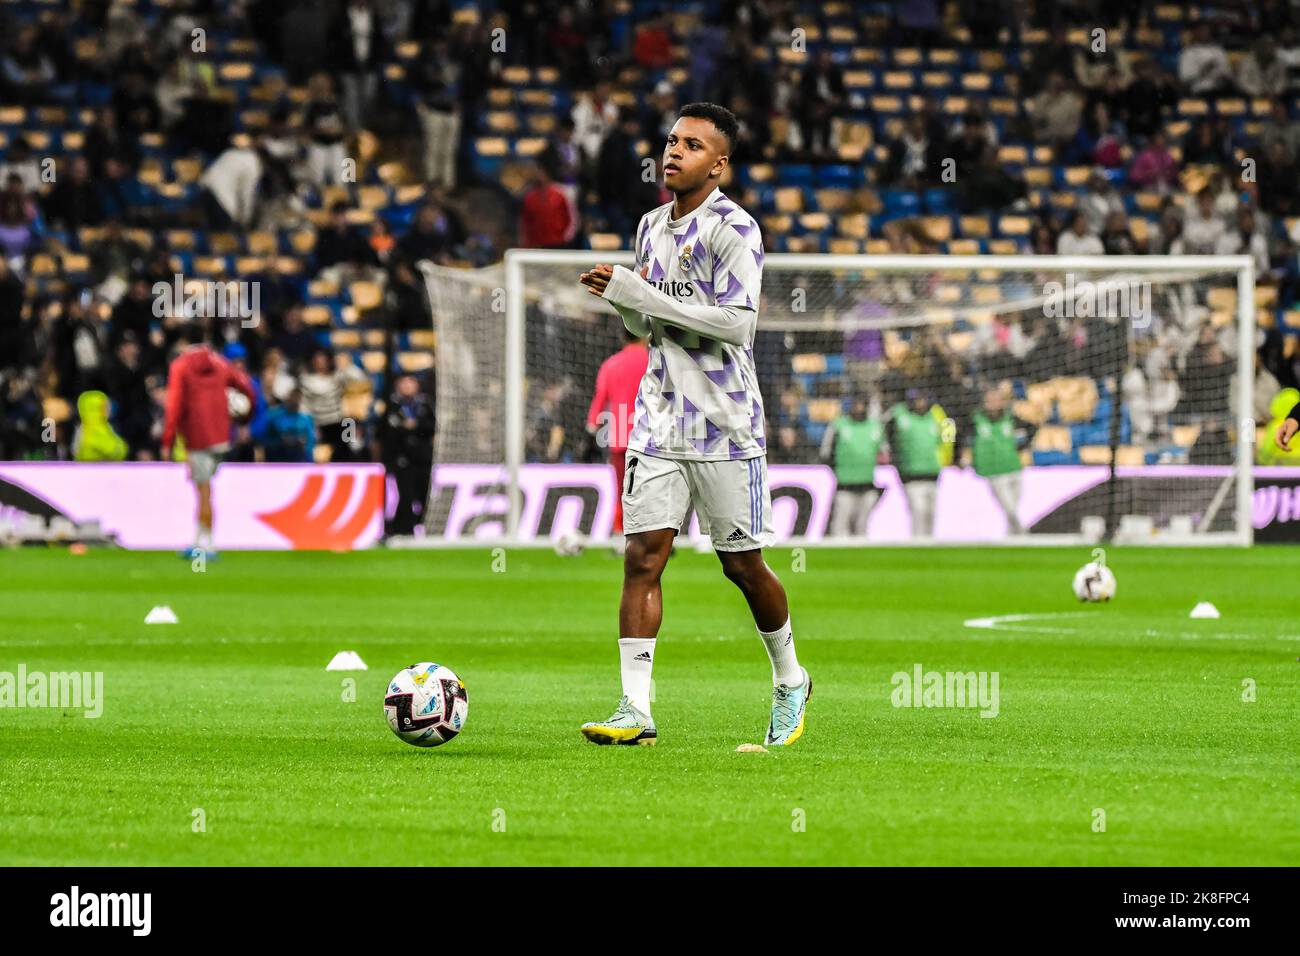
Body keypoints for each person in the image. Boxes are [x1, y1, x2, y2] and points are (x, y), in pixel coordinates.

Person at [576, 103, 811, 748]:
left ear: (720, 165)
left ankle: (791, 678)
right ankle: (635, 708)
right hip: (658, 419)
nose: (675, 151)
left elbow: (739, 323)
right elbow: (644, 329)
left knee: (742, 566)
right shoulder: (651, 227)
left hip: (724, 423)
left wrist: (644, 296)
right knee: (642, 559)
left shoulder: (736, 228)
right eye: (672, 141)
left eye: (693, 145)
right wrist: (623, 299)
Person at [162, 323, 256, 557]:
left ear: (184, 342)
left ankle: (207, 543)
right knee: (203, 487)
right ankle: (198, 538)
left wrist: (168, 439)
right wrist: (245, 418)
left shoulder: (180, 366)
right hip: (221, 435)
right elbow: (246, 387)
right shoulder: (220, 362)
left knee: (203, 490)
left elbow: (174, 405)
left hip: (196, 435)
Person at [584, 328, 649, 543]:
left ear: (622, 337)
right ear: (644, 335)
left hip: (621, 436)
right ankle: (655, 535)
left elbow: (600, 400)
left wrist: (590, 432)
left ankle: (622, 535)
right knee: (653, 489)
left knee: (623, 489)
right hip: (651, 438)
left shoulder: (611, 364)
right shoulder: (654, 361)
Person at [970, 386, 1034, 535]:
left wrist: (1023, 445)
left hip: (1014, 468)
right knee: (1009, 508)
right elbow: (959, 436)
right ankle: (1023, 533)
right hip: (994, 472)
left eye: (996, 400)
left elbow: (1031, 428)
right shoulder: (975, 420)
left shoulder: (1012, 418)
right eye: (989, 400)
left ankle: (1011, 538)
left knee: (1012, 507)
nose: (992, 403)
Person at [820, 398, 885, 538]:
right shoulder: (838, 425)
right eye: (856, 404)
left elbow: (885, 453)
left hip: (868, 485)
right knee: (840, 526)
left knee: (862, 526)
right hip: (845, 486)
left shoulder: (875, 426)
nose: (859, 408)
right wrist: (839, 471)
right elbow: (826, 453)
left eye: (862, 404)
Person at [382, 374, 436, 536]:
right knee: (405, 495)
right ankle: (402, 530)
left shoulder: (425, 404)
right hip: (402, 459)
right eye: (404, 383)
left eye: (410, 383)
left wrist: (415, 425)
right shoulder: (392, 406)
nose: (407, 386)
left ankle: (424, 527)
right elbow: (385, 430)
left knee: (424, 495)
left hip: (423, 458)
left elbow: (434, 426)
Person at [888, 388, 944, 538]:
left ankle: (930, 545)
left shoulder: (937, 416)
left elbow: (948, 438)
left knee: (931, 513)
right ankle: (917, 543)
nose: (920, 403)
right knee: (918, 511)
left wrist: (949, 459)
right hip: (911, 475)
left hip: (933, 474)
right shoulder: (899, 415)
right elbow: (888, 437)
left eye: (923, 399)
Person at [261, 387, 316, 462]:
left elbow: (310, 442)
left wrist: (302, 445)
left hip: (300, 458)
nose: (295, 401)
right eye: (293, 397)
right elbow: (265, 438)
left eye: (298, 398)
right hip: (278, 458)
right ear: (288, 398)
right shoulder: (274, 416)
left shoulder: (306, 418)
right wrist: (280, 441)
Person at [72, 391, 128, 462]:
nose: (109, 409)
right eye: (105, 406)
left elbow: (121, 449)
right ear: (94, 408)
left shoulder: (105, 426)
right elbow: (115, 450)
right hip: (90, 469)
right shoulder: (88, 430)